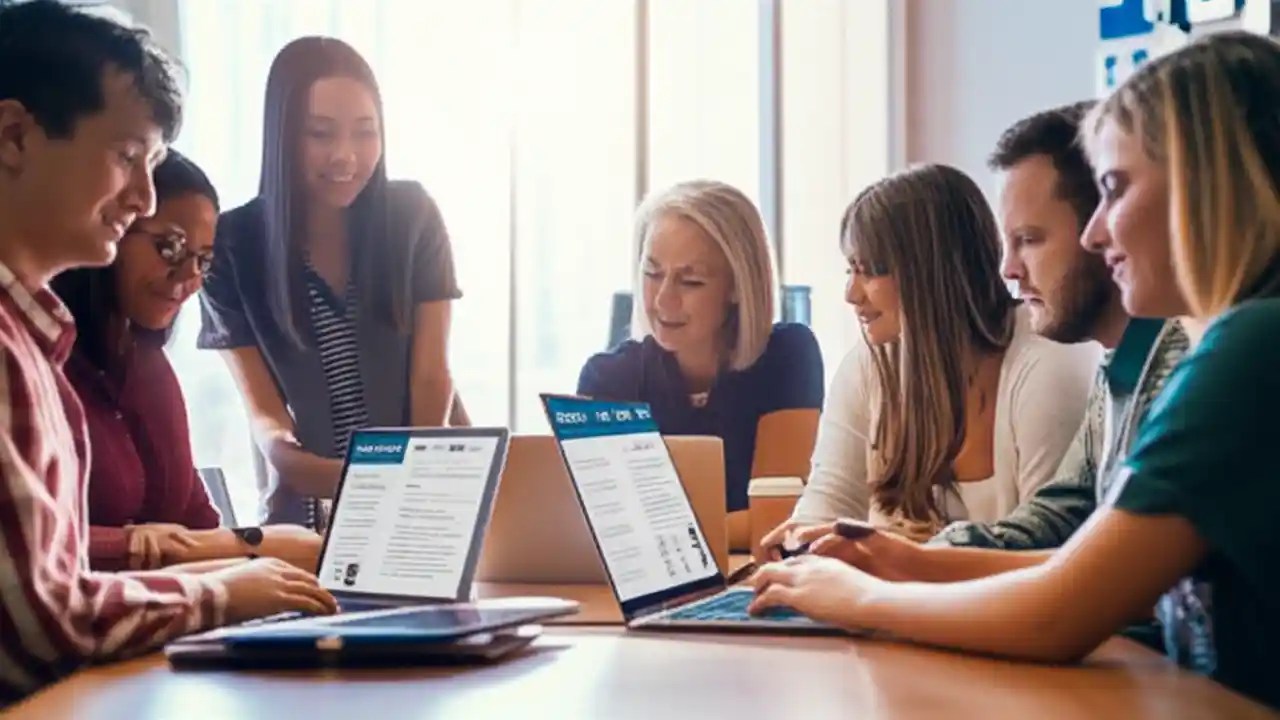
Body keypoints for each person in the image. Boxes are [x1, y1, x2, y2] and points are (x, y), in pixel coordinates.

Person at [750, 32, 1280, 710]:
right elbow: (1084, 561)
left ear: (1209, 185)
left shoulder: (1251, 347)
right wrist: (903, 560)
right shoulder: (1238, 345)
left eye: (1115, 189)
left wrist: (864, 599)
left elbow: (1061, 612)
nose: (1096, 233)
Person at [0, 1, 335, 702]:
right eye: (127, 157)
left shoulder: (37, 342)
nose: (142, 197)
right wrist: (220, 589)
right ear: (13, 136)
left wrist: (222, 570)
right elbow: (47, 622)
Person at [199, 37, 462, 527]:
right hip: (308, 519)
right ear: (282, 136)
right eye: (321, 134)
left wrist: (409, 487)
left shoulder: (412, 216)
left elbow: (432, 378)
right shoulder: (232, 246)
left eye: (365, 133)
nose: (346, 157)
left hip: (419, 503)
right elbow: (266, 416)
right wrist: (299, 463)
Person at [766, 164, 1100, 543]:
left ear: (930, 271)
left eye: (870, 271)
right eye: (850, 269)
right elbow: (828, 502)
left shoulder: (1048, 363)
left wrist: (896, 563)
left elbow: (1047, 551)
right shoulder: (870, 363)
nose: (851, 294)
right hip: (898, 598)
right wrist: (798, 545)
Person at [927, 103, 1189, 555]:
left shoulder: (1184, 359)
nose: (1008, 269)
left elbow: (1112, 574)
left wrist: (906, 568)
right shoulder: (1120, 361)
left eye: (1028, 240)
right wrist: (909, 554)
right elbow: (1060, 516)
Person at [52, 151, 322, 573]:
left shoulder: (150, 368)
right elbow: (33, 547)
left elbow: (198, 521)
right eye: (171, 246)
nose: (190, 276)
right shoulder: (35, 363)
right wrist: (225, 548)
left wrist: (236, 552)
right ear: (113, 225)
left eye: (204, 259)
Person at [577, 180, 824, 516]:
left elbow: (776, 519)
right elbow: (597, 521)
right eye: (652, 273)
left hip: (754, 568)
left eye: (691, 281)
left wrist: (656, 536)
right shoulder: (607, 378)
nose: (663, 299)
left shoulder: (786, 356)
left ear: (737, 287)